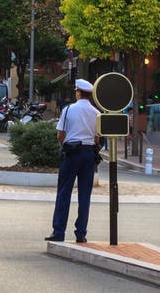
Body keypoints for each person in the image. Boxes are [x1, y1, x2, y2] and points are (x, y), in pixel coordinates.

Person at [45, 78, 100, 244]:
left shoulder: (68, 110)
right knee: (85, 194)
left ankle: (59, 231)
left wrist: (65, 145)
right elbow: (98, 138)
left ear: (78, 92)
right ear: (89, 95)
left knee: (64, 192)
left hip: (71, 153)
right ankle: (81, 233)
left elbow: (60, 134)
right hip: (89, 153)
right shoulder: (96, 113)